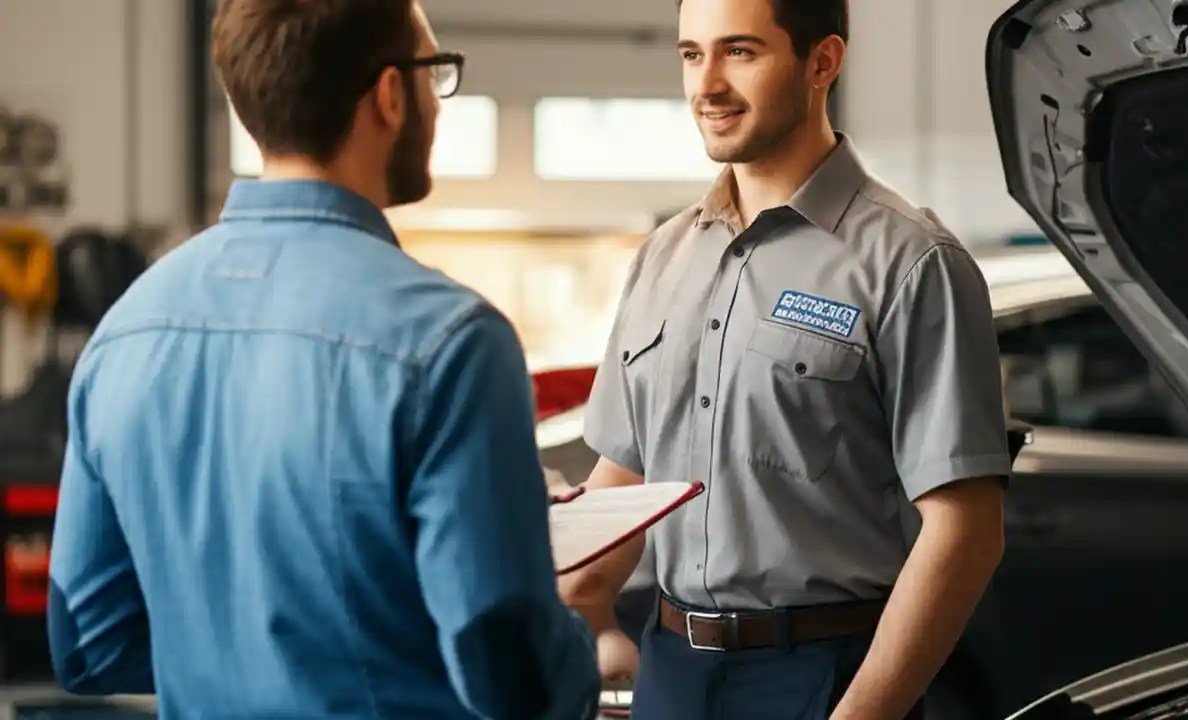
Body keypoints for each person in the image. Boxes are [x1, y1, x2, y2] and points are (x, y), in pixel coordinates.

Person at [46, 1, 599, 717]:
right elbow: (503, 656)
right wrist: (584, 652)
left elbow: (88, 641)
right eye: (434, 72)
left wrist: (242, 647)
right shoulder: (451, 339)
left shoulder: (125, 332)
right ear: (392, 95)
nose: (437, 100)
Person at [559, 0, 1010, 717]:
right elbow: (625, 471)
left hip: (822, 675)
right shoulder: (663, 256)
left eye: (739, 52)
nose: (706, 84)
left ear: (822, 62)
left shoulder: (910, 262)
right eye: (690, 54)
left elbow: (966, 529)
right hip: (672, 670)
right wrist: (581, 609)